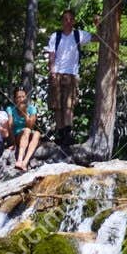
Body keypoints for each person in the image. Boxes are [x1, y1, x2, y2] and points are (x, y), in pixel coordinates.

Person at [46, 10, 94, 157]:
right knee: (57, 105)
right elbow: (52, 54)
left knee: (69, 105)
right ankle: (61, 134)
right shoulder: (56, 36)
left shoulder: (79, 35)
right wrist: (52, 71)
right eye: (65, 19)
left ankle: (67, 133)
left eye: (70, 19)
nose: (68, 22)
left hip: (72, 74)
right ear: (62, 21)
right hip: (57, 73)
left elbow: (97, 38)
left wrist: (98, 25)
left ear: (74, 21)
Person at [9, 85, 42, 171]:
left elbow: (31, 125)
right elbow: (10, 126)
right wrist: (13, 144)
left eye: (23, 97)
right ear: (15, 99)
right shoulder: (10, 109)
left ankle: (25, 162)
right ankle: (19, 160)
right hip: (18, 135)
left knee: (37, 133)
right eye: (19, 97)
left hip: (28, 134)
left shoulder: (32, 108)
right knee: (26, 131)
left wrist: (24, 113)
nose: (21, 99)